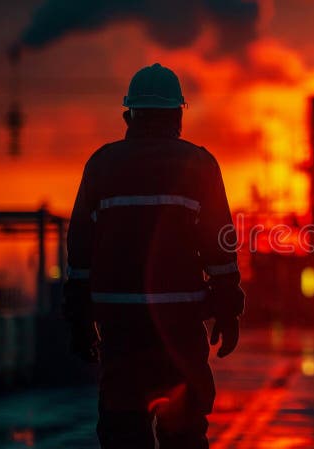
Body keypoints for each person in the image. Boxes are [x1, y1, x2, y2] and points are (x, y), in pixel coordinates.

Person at [63, 63, 245, 449]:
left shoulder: (102, 165)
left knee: (124, 431)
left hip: (121, 331)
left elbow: (79, 253)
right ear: (178, 115)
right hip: (179, 328)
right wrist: (227, 311)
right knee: (183, 435)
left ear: (129, 115)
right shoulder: (199, 165)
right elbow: (219, 248)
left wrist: (79, 320)